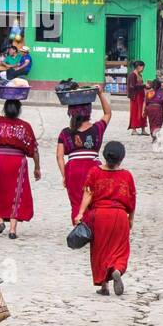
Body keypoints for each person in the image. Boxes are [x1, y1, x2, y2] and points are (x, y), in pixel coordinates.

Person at [74, 140, 136, 297]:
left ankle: (104, 286)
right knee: (120, 250)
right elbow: (132, 199)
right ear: (121, 158)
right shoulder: (126, 175)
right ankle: (117, 269)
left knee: (100, 251)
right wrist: (130, 219)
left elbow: (88, 193)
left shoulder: (94, 172)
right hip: (120, 215)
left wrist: (80, 213)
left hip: (99, 215)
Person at [0, 89, 40, 239]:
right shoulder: (25, 126)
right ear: (19, 110)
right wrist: (37, 167)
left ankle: (0, 220)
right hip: (16, 161)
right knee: (16, 192)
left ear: (5, 109)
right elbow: (34, 149)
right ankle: (12, 229)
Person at [55, 89, 112, 226]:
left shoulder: (65, 133)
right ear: (89, 111)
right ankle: (93, 227)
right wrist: (99, 94)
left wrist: (64, 175)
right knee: (94, 199)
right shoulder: (97, 128)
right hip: (93, 167)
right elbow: (108, 113)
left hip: (73, 169)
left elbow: (59, 156)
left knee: (76, 201)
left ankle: (80, 229)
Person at [126, 61, 147, 134]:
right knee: (135, 112)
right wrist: (144, 85)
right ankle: (134, 129)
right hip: (135, 96)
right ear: (139, 66)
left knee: (143, 111)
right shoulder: (132, 75)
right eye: (143, 67)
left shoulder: (140, 75)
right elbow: (132, 86)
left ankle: (143, 129)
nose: (143, 69)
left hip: (141, 95)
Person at [144, 78, 163, 143]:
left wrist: (144, 111)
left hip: (150, 108)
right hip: (158, 108)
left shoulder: (149, 92)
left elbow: (145, 102)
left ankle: (153, 134)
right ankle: (156, 134)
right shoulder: (161, 92)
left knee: (152, 122)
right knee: (158, 123)